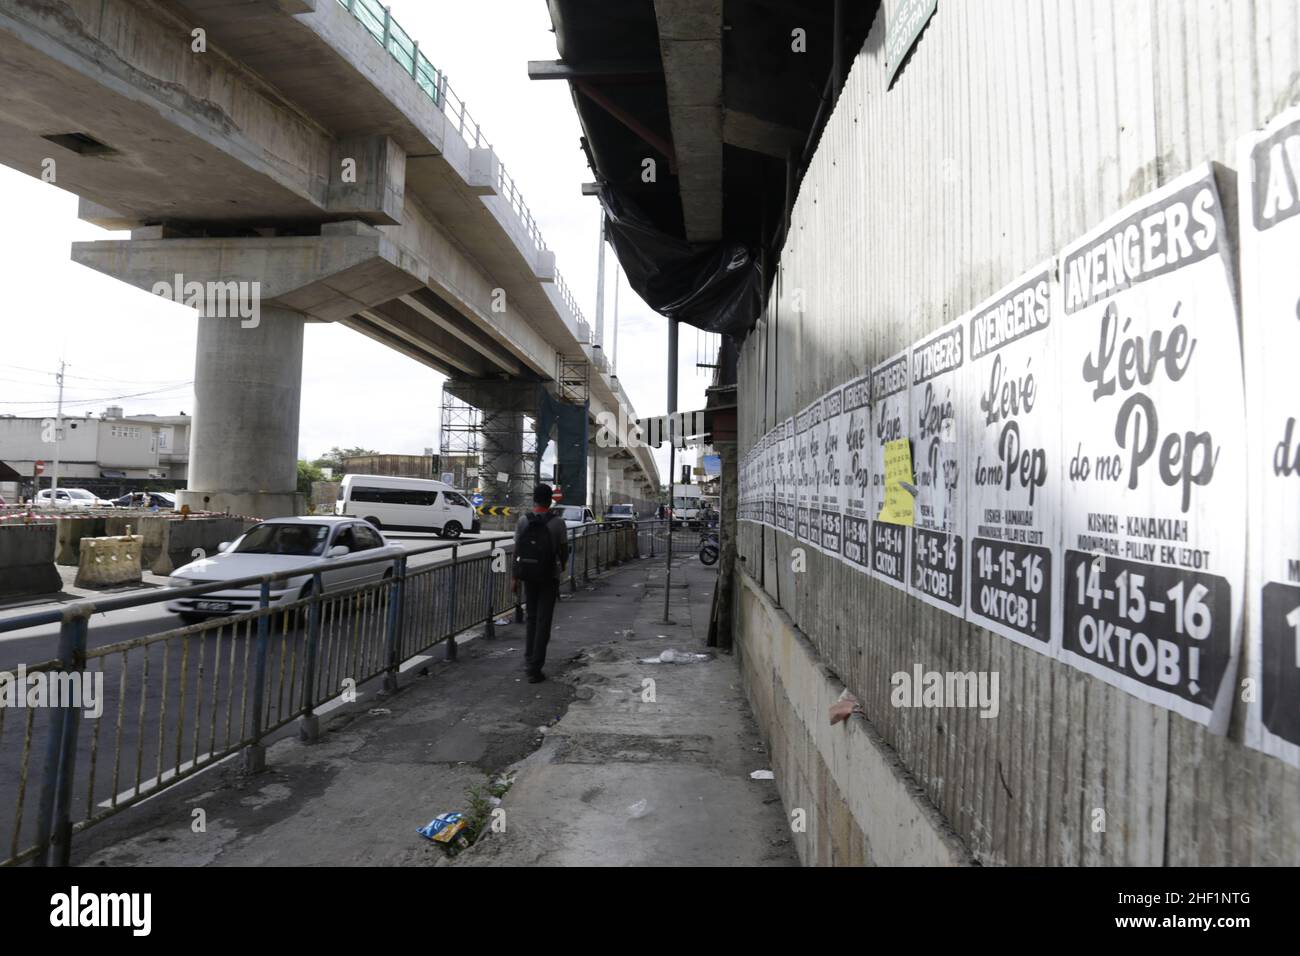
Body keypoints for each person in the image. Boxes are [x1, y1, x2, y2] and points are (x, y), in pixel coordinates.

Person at [513, 483, 569, 683]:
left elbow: (517, 550)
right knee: (544, 621)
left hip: (528, 575)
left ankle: (529, 661)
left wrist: (514, 578)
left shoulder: (523, 521)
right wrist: (561, 568)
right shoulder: (558, 523)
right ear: (550, 500)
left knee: (532, 619)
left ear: (534, 499)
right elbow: (564, 551)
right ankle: (535, 668)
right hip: (548, 576)